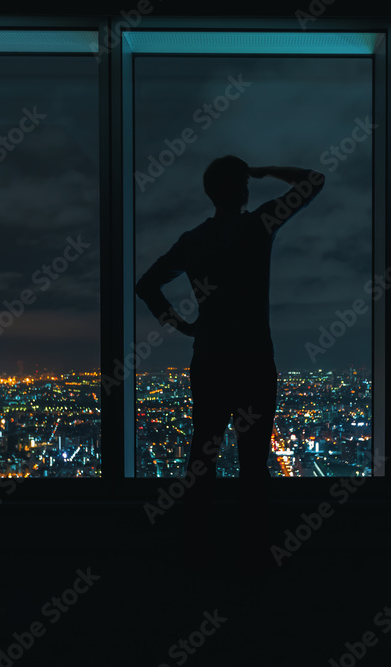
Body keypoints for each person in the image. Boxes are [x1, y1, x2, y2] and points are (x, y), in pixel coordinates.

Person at [135, 155, 325, 567]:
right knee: (253, 462)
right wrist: (268, 169)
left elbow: (146, 284)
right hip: (254, 358)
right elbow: (313, 181)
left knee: (202, 457)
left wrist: (182, 325)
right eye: (244, 182)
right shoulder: (258, 225)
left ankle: (197, 546)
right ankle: (253, 550)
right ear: (241, 189)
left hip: (210, 359)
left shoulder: (193, 241)